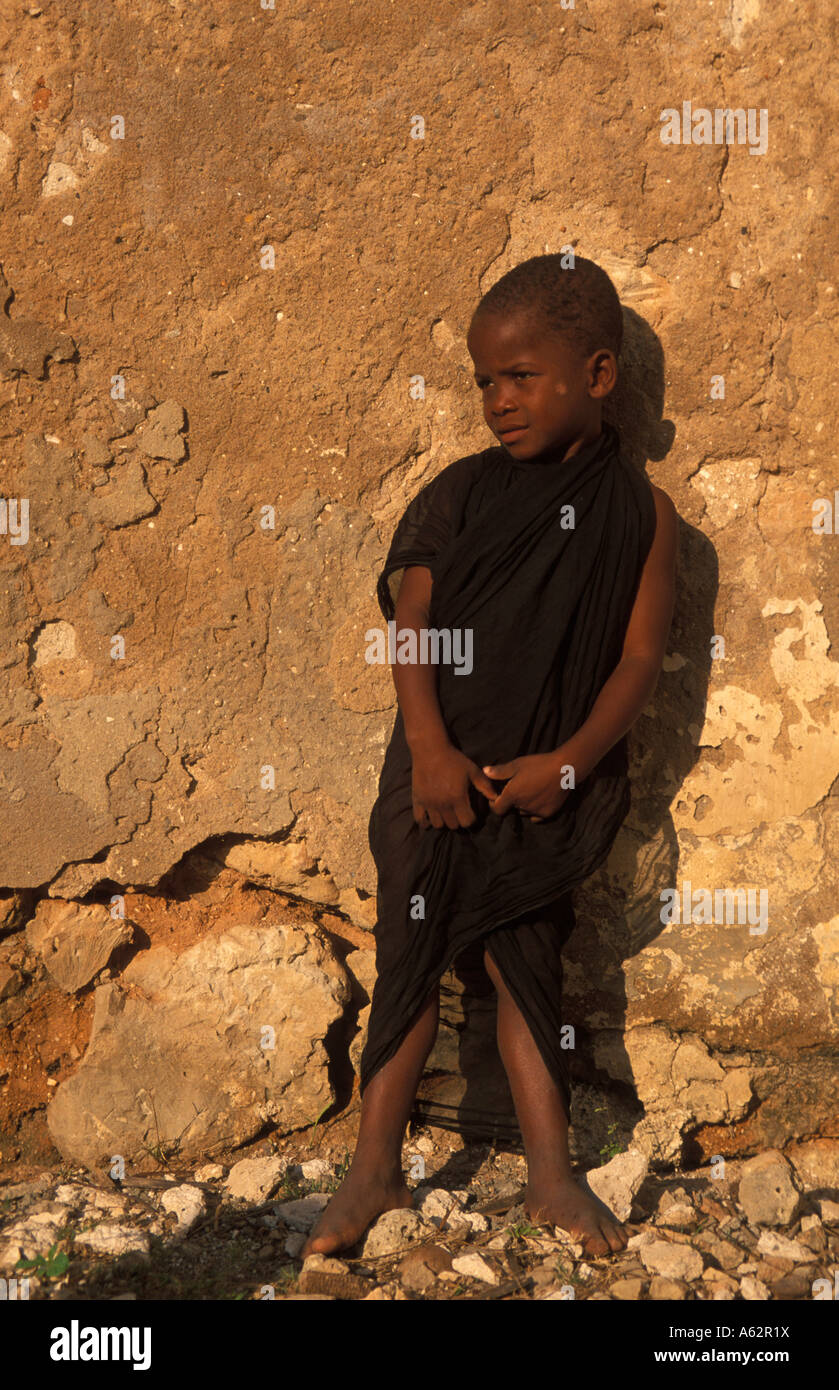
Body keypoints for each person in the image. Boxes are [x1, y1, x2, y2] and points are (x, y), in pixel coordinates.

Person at [302, 253, 678, 1260]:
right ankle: (374, 1165)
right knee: (410, 963)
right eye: (482, 381)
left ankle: (552, 1176)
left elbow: (638, 660)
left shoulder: (641, 518)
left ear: (596, 376)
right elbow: (413, 623)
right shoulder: (458, 495)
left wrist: (569, 763)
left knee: (527, 968)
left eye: (519, 376)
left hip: (541, 783)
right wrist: (427, 748)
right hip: (437, 771)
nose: (496, 402)